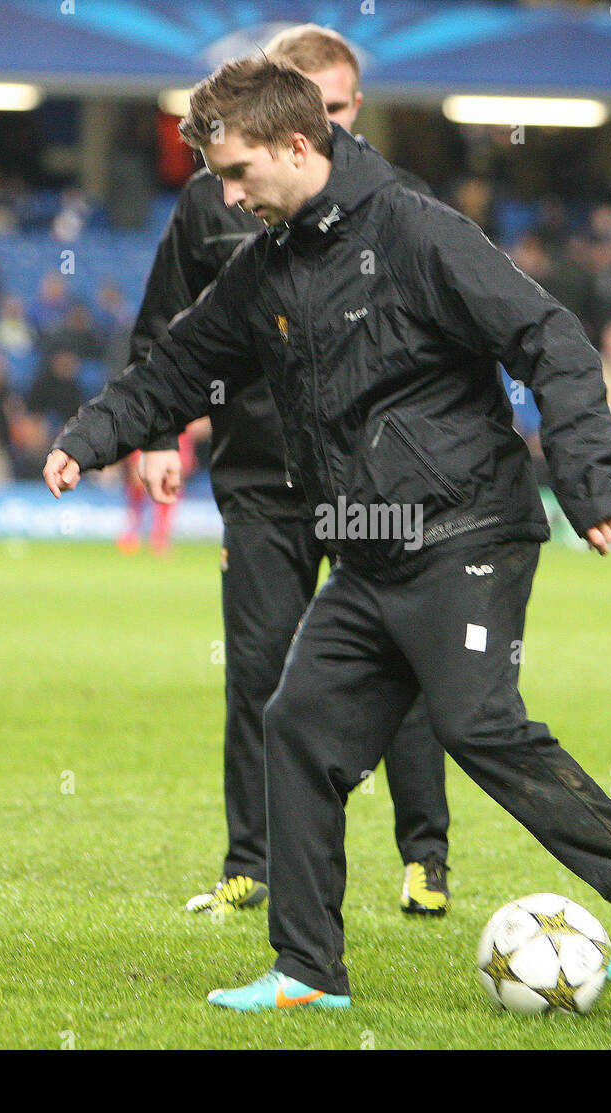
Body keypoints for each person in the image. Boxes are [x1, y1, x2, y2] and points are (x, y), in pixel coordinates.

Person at [44, 58, 611, 1010]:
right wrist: (90, 437)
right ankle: (308, 973)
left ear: (296, 146)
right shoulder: (263, 266)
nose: (225, 196)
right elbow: (175, 368)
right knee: (298, 728)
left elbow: (551, 339)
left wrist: (589, 479)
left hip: (468, 526)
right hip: (366, 545)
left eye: (236, 175)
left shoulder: (417, 230)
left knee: (475, 719)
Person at [128, 25, 452, 918]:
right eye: (319, 104)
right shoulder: (209, 205)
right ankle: (253, 862)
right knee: (260, 668)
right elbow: (166, 330)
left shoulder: (400, 203)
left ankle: (426, 854)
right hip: (261, 477)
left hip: (372, 481)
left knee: (404, 660)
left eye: (344, 106)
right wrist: (158, 434)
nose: (333, 121)